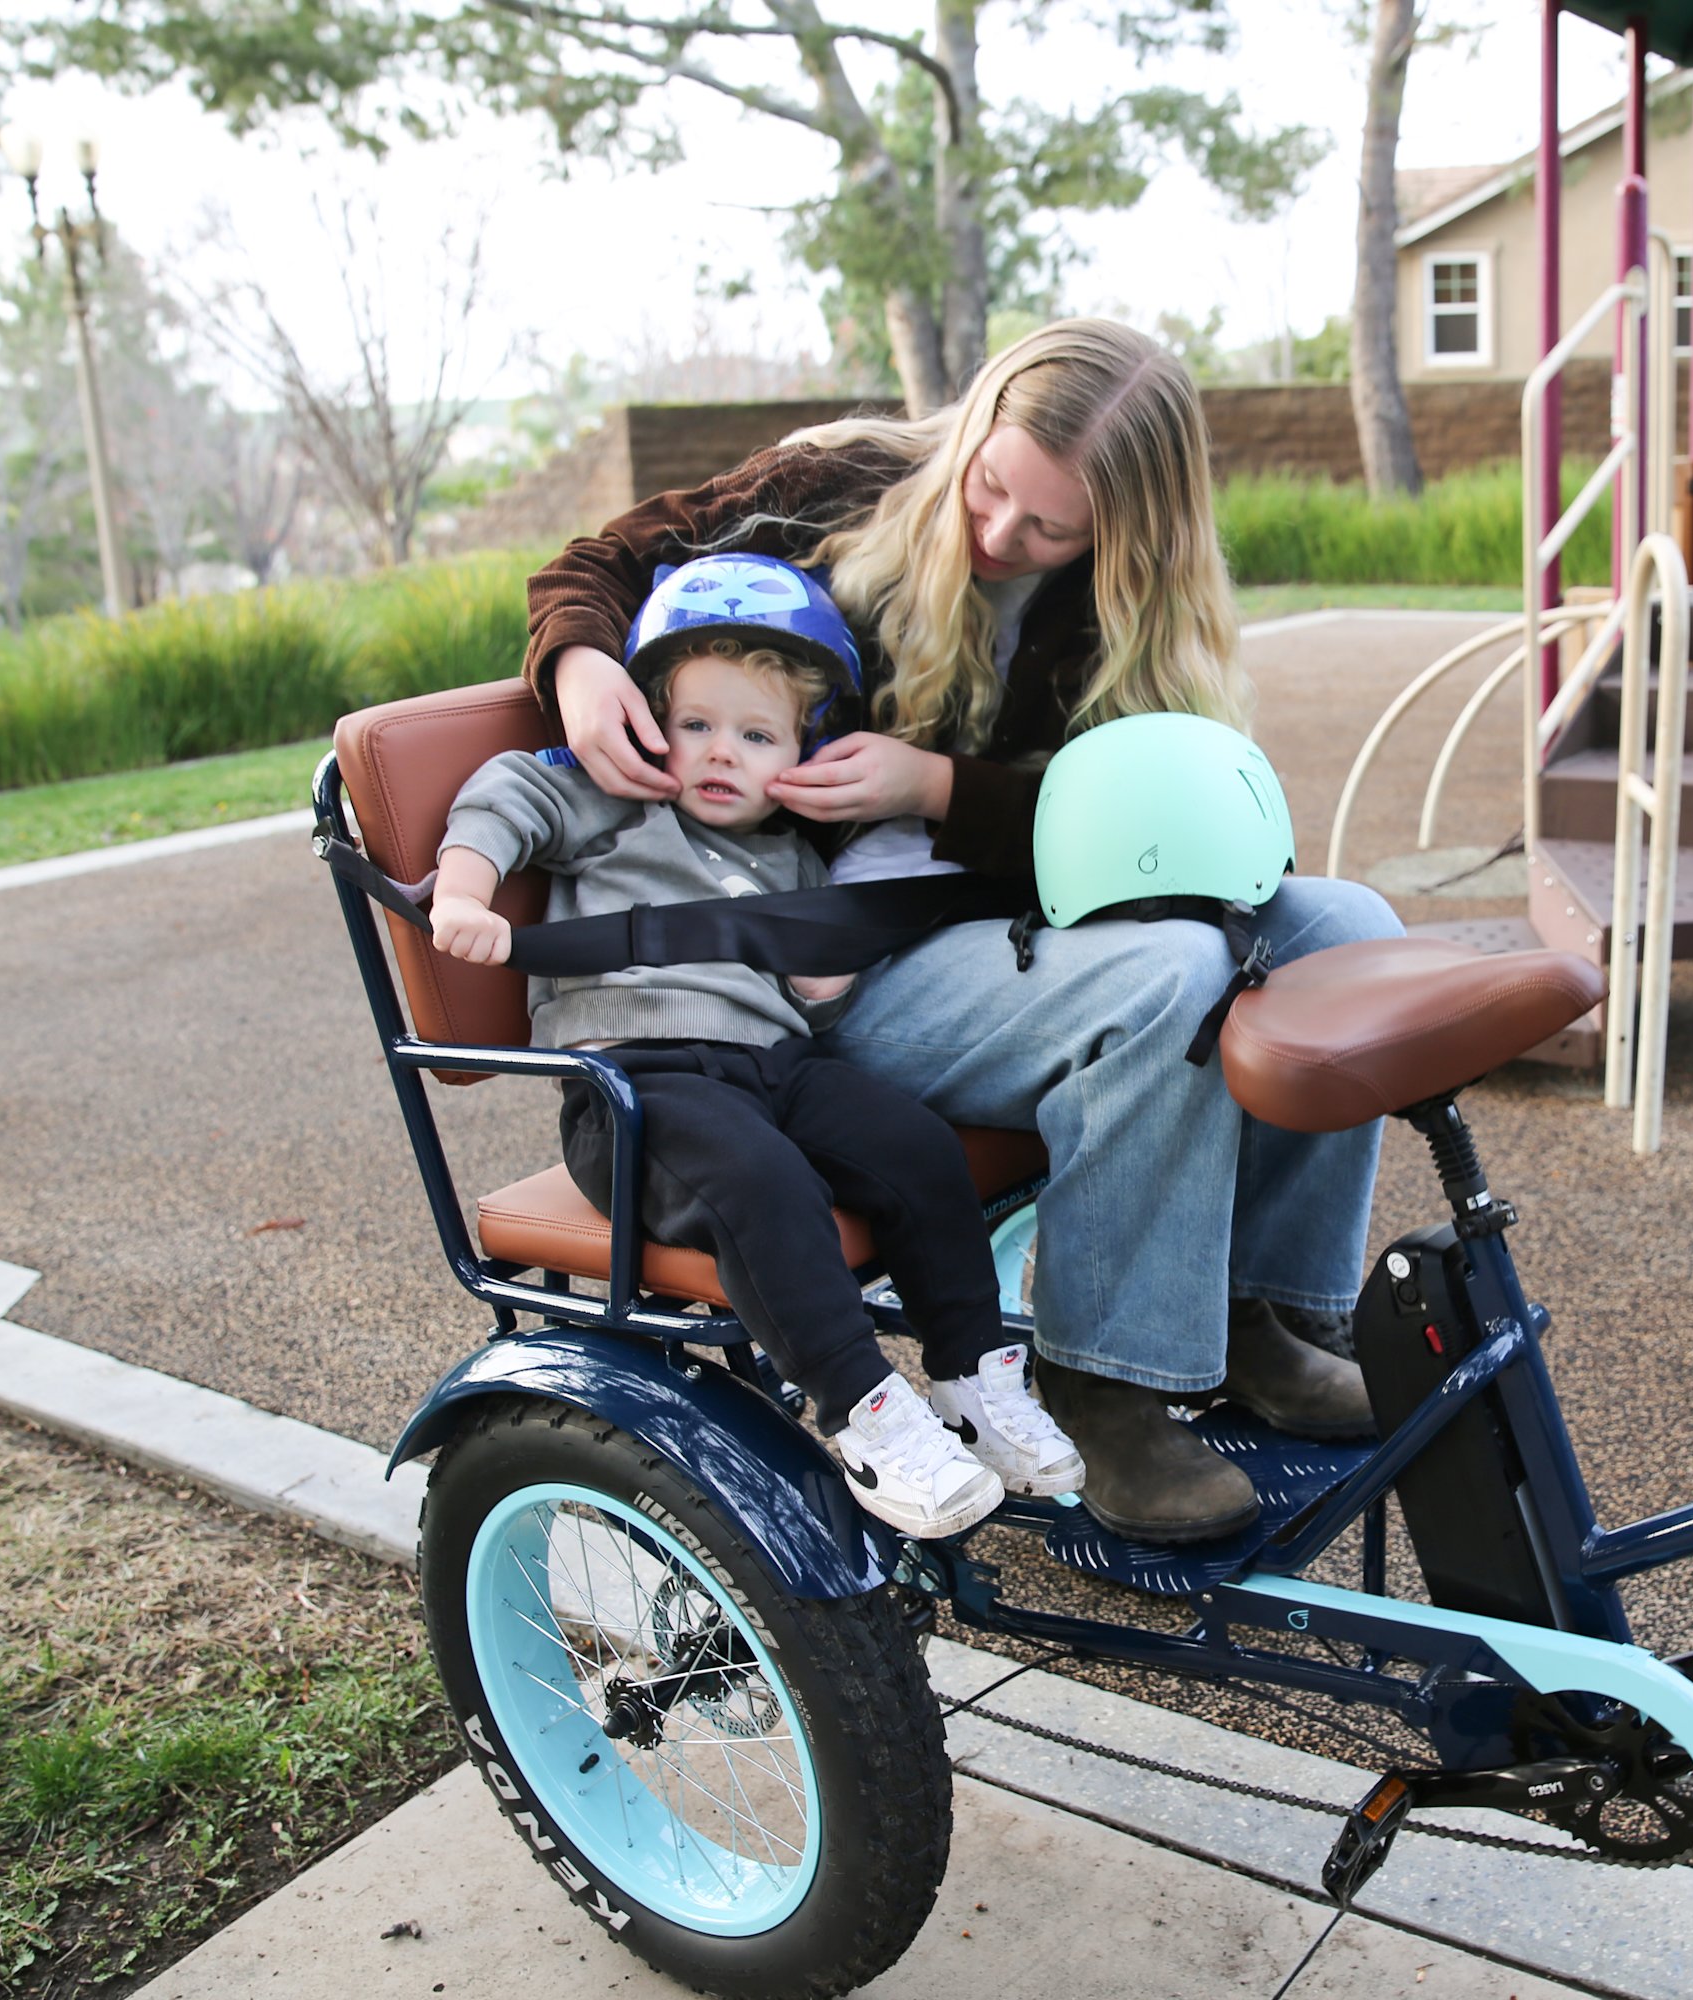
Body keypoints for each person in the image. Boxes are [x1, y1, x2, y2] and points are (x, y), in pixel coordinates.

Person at [525, 318, 1398, 1546]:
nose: (999, 534)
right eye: (991, 488)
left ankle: (1261, 1314)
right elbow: (604, 561)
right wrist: (578, 662)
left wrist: (936, 787)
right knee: (1171, 976)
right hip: (837, 971)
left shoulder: (1131, 612)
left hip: (1019, 920)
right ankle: (1105, 1384)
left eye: (1051, 527)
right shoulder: (842, 490)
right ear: (976, 427)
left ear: (1130, 534)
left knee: (1347, 930)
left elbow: (1138, 831)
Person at [435, 553, 1086, 1541]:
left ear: (799, 748)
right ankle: (866, 1414)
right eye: (695, 725)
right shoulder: (610, 803)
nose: (721, 753)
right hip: (637, 1087)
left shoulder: (791, 853)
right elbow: (508, 795)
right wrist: (463, 891)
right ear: (653, 719)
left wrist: (826, 990)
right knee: (763, 1180)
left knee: (915, 1147)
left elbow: (810, 1006)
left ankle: (971, 1380)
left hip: (777, 1068)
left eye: (754, 735)